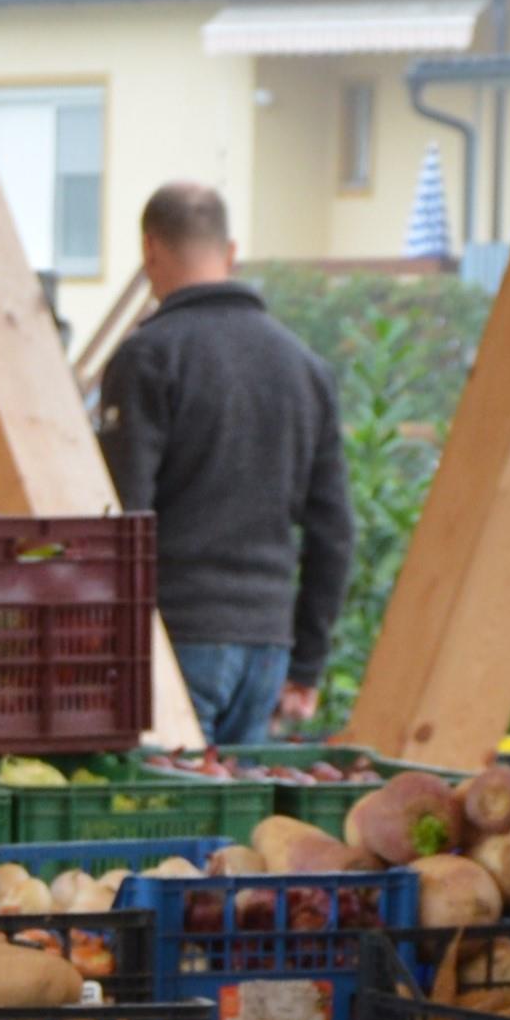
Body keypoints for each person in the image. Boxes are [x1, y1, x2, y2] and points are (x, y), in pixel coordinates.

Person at [92, 182, 351, 750]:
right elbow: (334, 532)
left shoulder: (148, 357)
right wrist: (306, 662)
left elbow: (121, 515)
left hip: (178, 636)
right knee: (237, 830)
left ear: (150, 250)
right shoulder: (305, 368)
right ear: (229, 253)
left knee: (166, 825)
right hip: (267, 642)